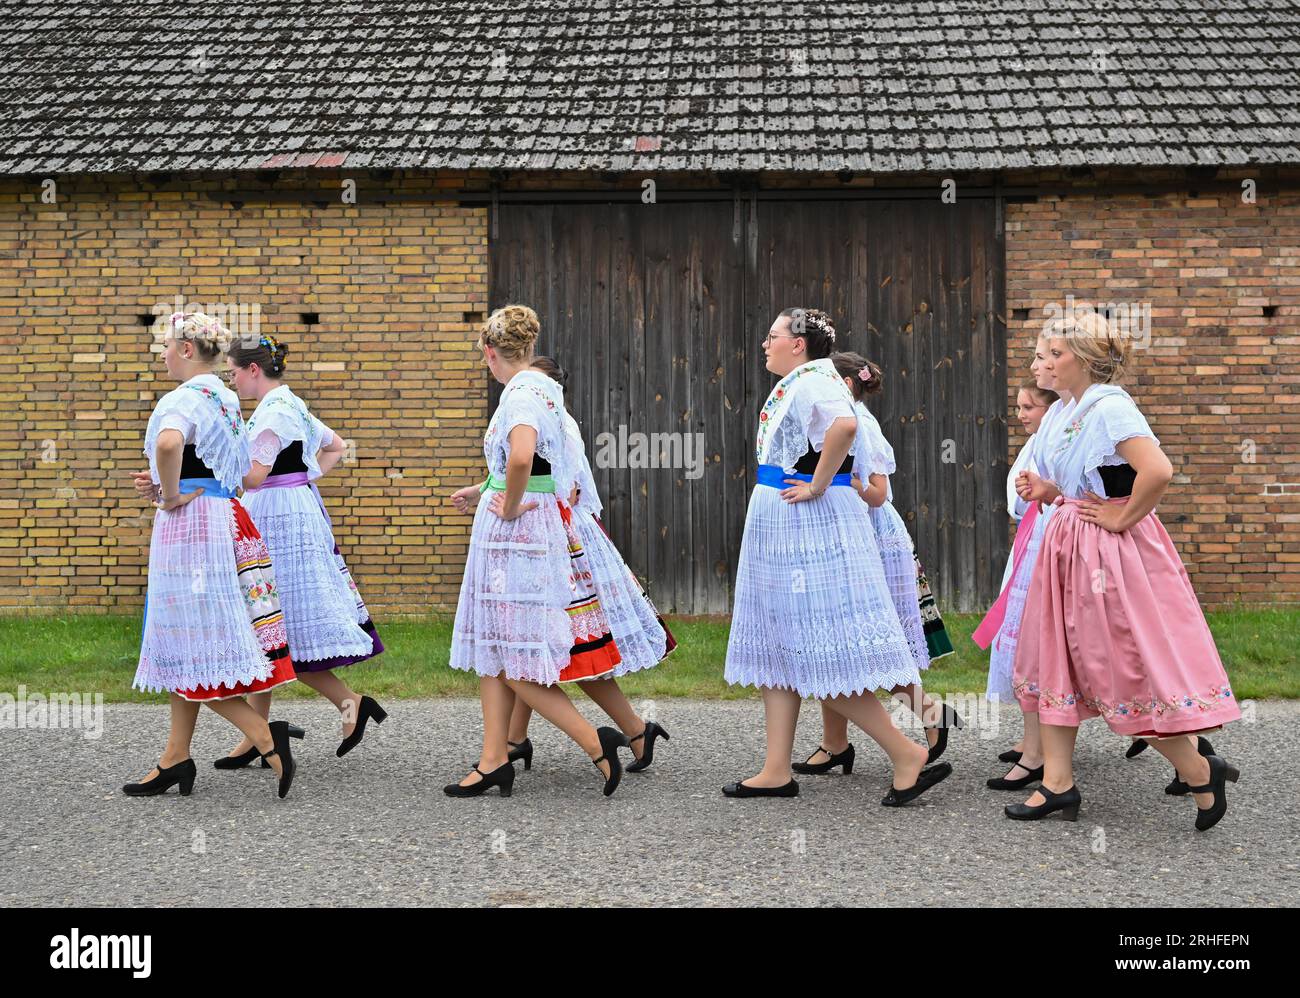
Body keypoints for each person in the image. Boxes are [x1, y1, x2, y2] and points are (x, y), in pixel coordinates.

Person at [1008, 308, 1241, 830]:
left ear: (1085, 360)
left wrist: (1122, 517)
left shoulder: (1110, 407)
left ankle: (1200, 770)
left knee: (1120, 667)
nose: (1040, 362)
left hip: (1105, 554)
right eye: (1042, 353)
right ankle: (1058, 785)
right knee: (1058, 662)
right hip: (1069, 542)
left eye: (1053, 354)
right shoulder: (1069, 408)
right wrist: (1051, 493)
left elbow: (1157, 470)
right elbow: (1086, 478)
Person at [722, 308, 951, 805]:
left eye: (773, 335)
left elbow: (844, 425)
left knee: (818, 652)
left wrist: (818, 485)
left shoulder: (813, 380)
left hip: (805, 524)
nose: (765, 343)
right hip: (783, 522)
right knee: (782, 645)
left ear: (799, 344)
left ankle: (906, 752)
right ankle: (775, 769)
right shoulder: (802, 381)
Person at [126, 311, 299, 800]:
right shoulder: (224, 397)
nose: (161, 354)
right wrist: (168, 481)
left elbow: (168, 442)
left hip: (191, 529)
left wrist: (170, 491)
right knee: (193, 644)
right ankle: (175, 758)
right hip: (224, 517)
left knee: (190, 640)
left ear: (185, 350)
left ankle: (267, 737)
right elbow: (230, 467)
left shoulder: (182, 398)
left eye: (165, 346)